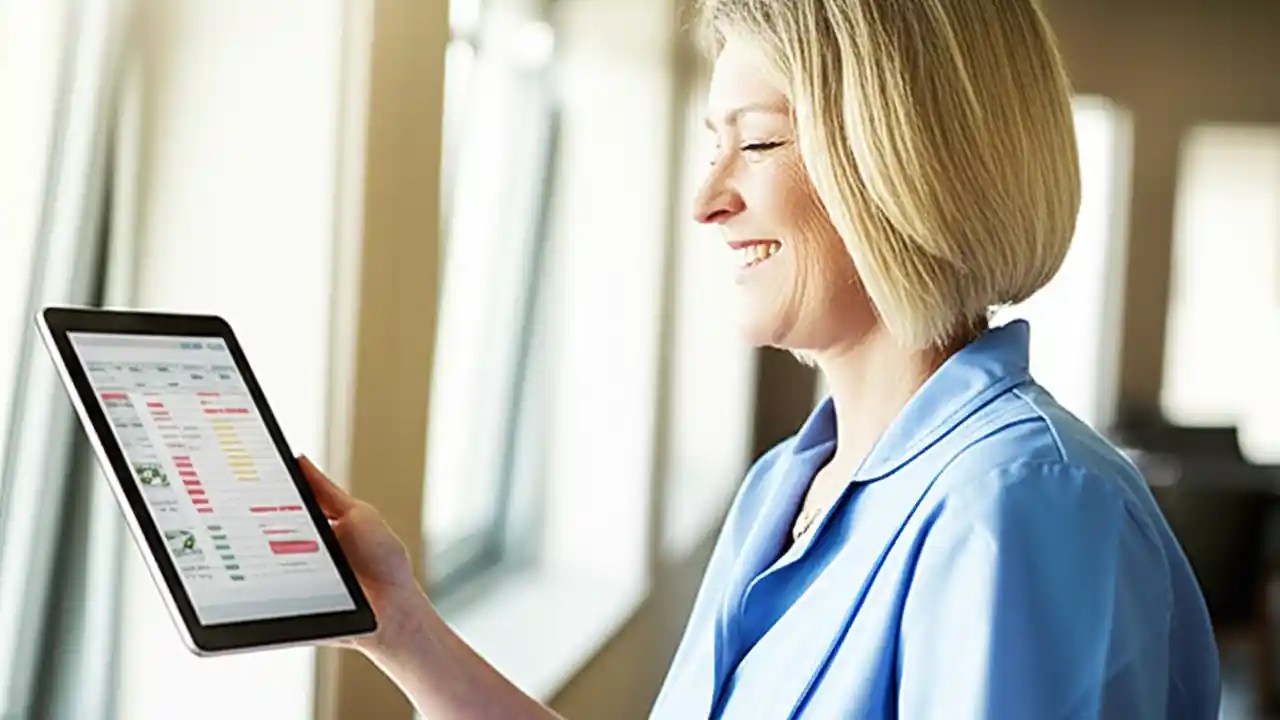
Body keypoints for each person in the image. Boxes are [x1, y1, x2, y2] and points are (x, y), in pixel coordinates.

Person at [297, 0, 1222, 716]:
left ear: (913, 159)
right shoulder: (787, 487)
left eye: (761, 141)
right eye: (714, 145)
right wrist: (403, 629)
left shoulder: (1025, 509)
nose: (707, 199)